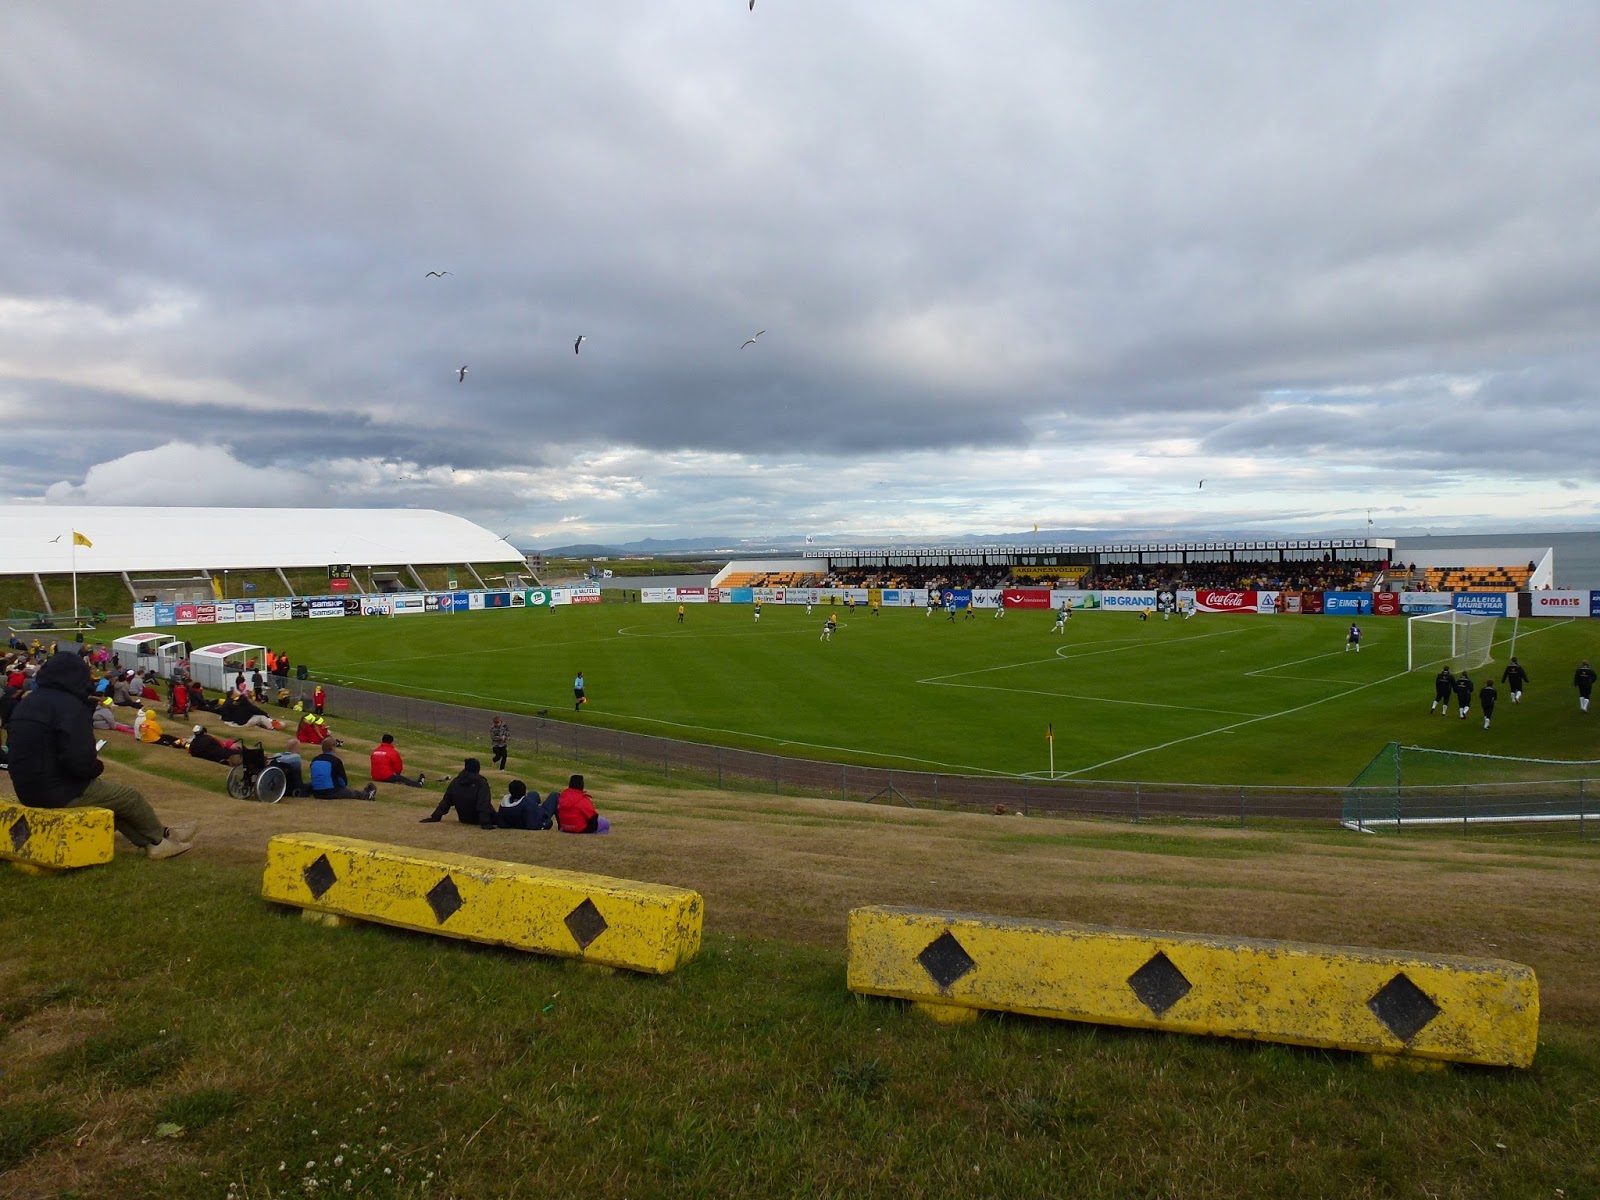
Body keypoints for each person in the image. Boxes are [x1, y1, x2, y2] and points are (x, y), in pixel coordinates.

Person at [6, 651, 197, 859]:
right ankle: (159, 841)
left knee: (113, 800)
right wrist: (96, 768)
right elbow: (79, 760)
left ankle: (160, 836)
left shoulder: (29, 702)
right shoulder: (70, 707)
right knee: (128, 797)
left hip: (27, 788)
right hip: (56, 790)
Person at [421, 758, 495, 828]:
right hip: (479, 818)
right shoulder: (481, 782)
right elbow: (483, 803)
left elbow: (446, 801)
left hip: (464, 818)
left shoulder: (456, 781)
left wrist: (436, 816)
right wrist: (485, 822)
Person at [310, 744, 375, 800]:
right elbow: (343, 782)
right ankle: (367, 795)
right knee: (351, 793)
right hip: (331, 792)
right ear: (333, 748)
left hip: (316, 792)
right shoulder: (336, 760)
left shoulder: (315, 759)